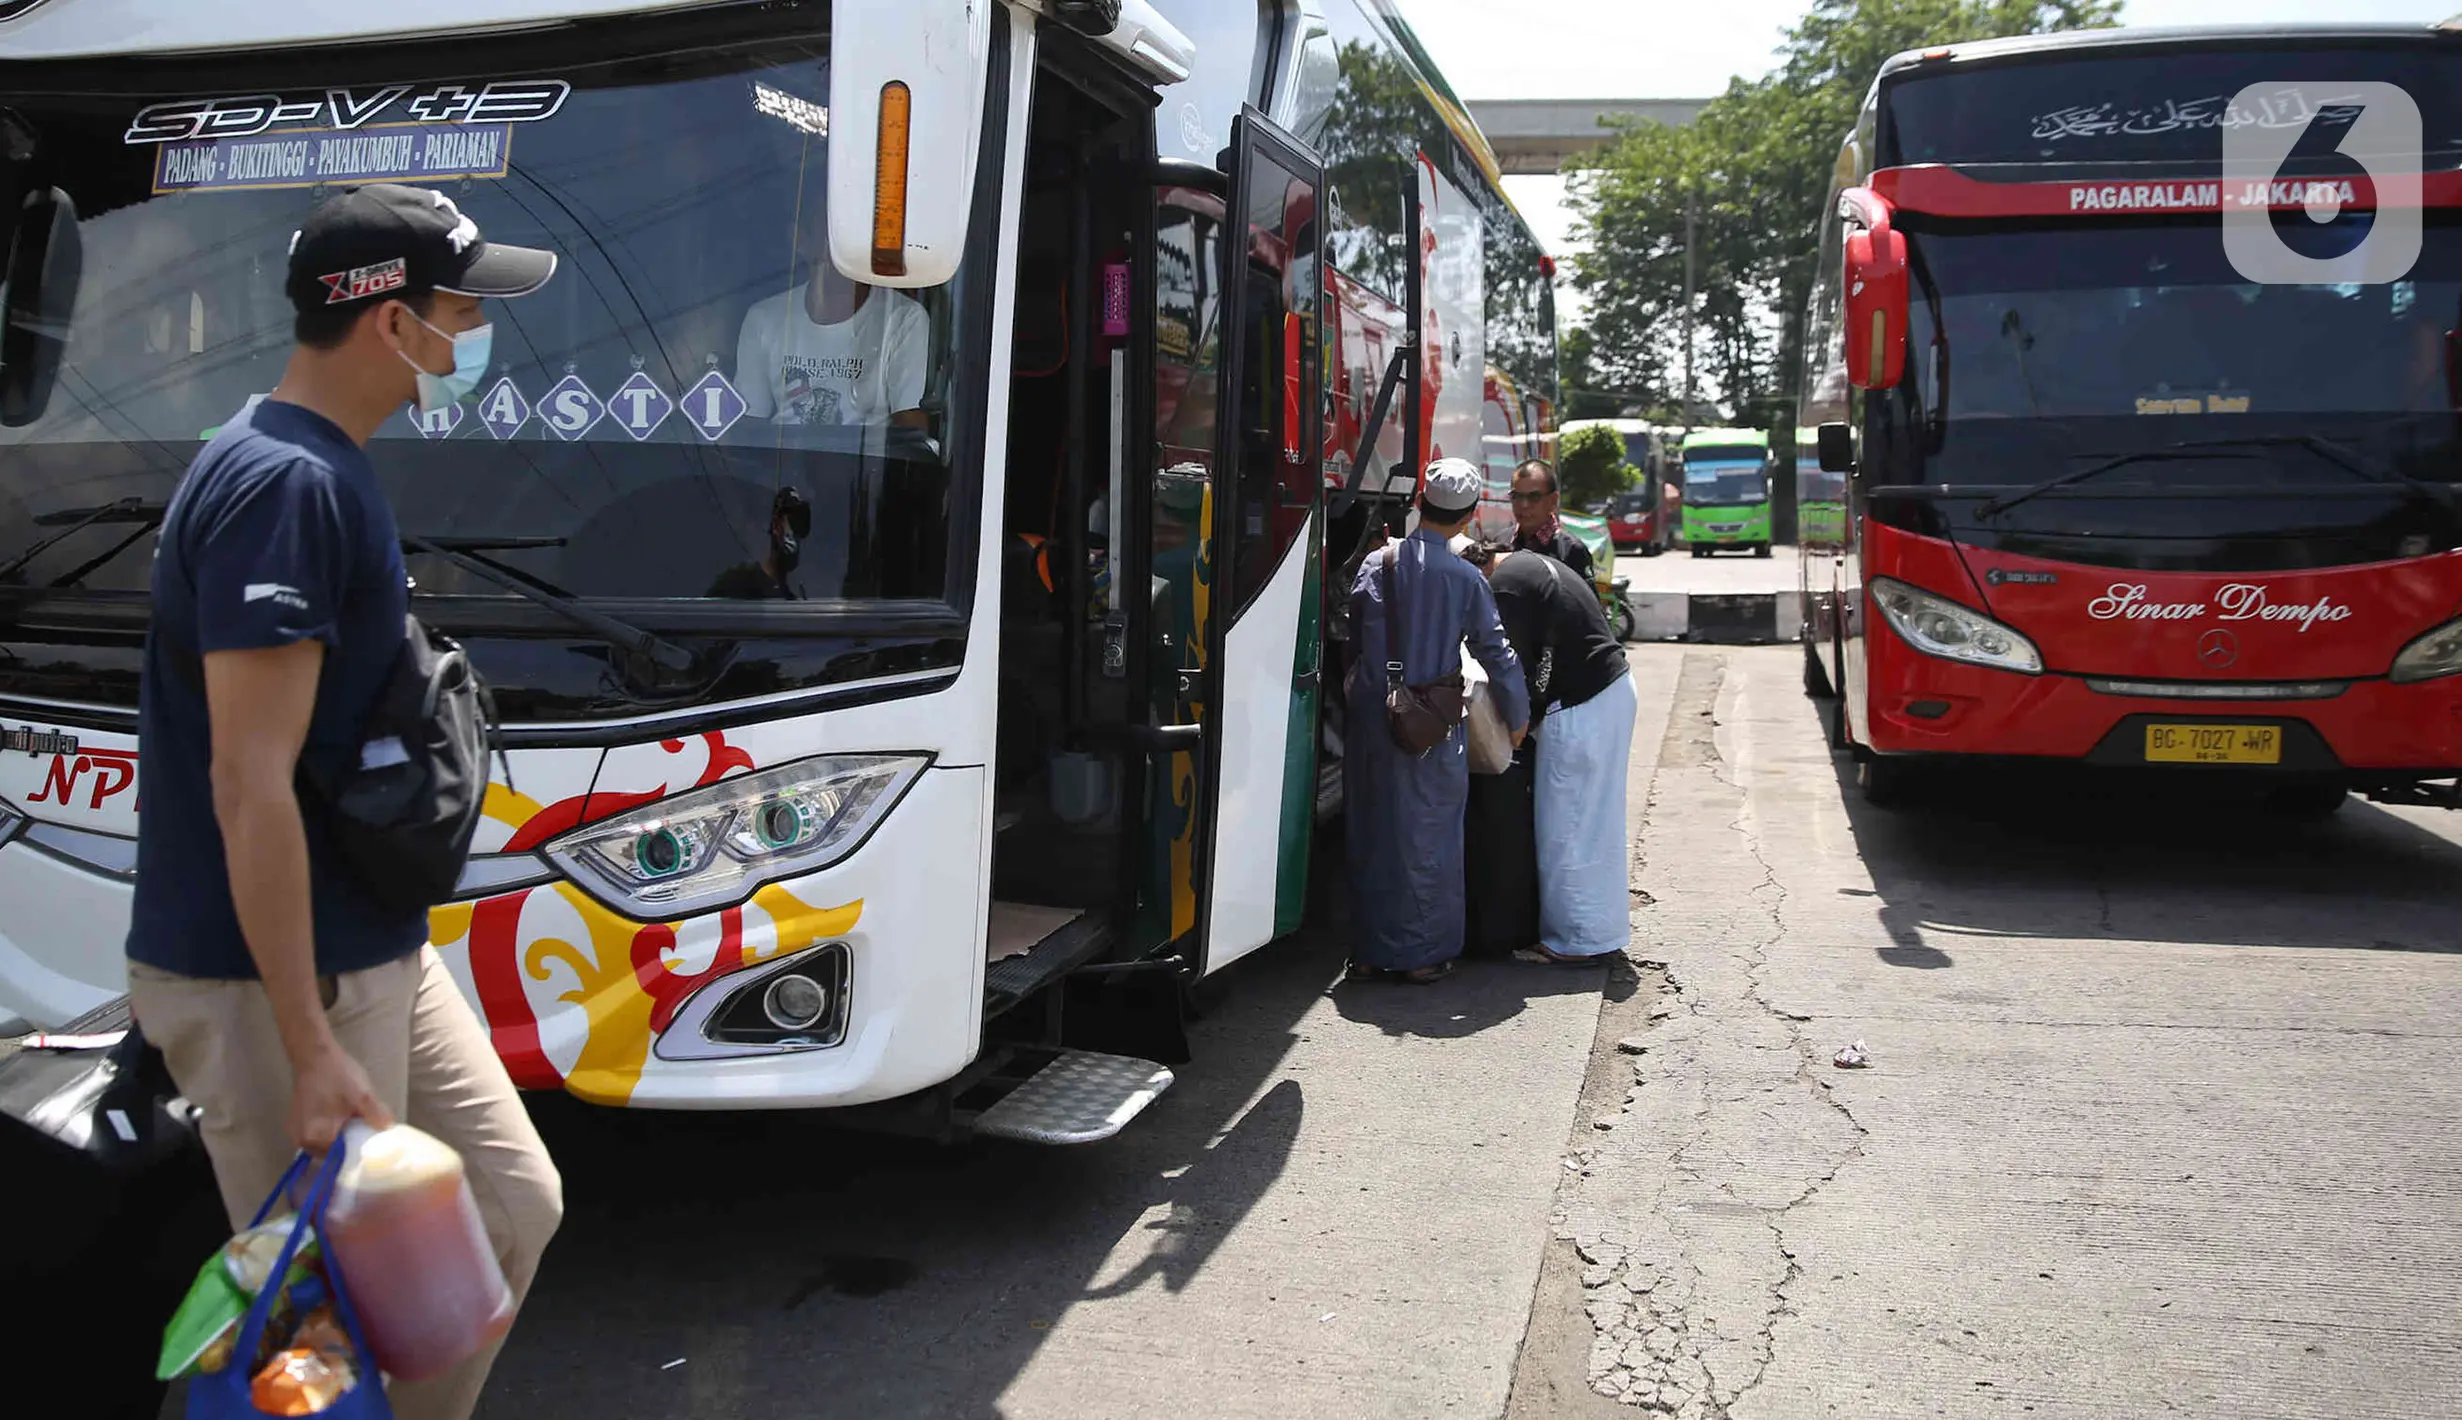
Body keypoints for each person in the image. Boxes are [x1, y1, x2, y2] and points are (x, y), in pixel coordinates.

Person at [123, 185, 564, 1420]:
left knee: (508, 1206)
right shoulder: (283, 488)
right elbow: (244, 778)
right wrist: (308, 1047)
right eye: (466, 308)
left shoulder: (320, 468)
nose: (479, 333)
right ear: (389, 321)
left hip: (366, 947)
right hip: (278, 982)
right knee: (316, 1325)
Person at [1344, 458, 1530, 984]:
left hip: (1373, 717)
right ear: (1469, 516)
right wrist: (1517, 716)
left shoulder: (1376, 563)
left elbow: (1352, 635)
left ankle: (1366, 950)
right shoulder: (1467, 578)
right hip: (1429, 724)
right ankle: (1422, 954)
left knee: (1373, 829)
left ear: (1420, 502)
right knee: (1429, 834)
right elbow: (1497, 653)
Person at [1460, 536, 1638, 962]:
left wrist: (1513, 726)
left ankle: (1573, 942)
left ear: (1477, 572)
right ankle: (1599, 931)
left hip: (1582, 706)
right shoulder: (1528, 564)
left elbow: (1506, 667)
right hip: (1608, 693)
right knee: (1596, 824)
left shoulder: (1504, 584)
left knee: (1567, 826)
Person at [736, 178, 932, 431]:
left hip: (866, 468)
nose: (846, 245)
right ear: (800, 240)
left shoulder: (903, 319)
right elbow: (749, 427)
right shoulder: (763, 320)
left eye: (856, 231)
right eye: (834, 230)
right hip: (780, 467)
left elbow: (910, 424)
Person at [707, 486, 813, 599]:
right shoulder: (732, 586)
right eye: (790, 522)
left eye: (799, 524)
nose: (793, 533)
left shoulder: (802, 593)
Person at [1508, 458, 1595, 582]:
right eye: (1516, 496)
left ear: (1553, 500)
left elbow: (1585, 600)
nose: (1524, 504)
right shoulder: (1501, 543)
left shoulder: (1571, 550)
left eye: (1534, 497)